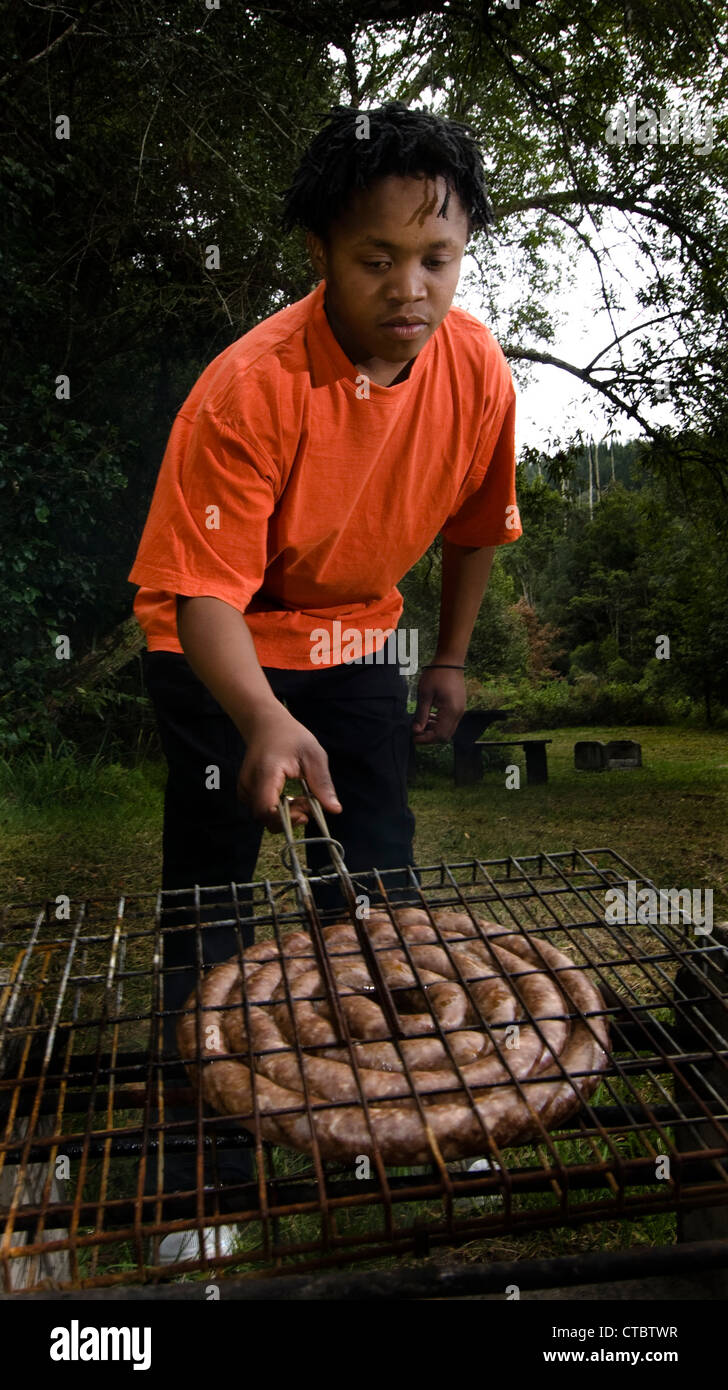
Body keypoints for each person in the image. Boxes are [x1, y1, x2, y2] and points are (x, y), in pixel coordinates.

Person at [127, 100, 522, 1259]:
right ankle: (202, 1177)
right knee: (214, 906)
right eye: (376, 259)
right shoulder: (249, 387)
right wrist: (259, 718)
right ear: (319, 258)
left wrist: (444, 658)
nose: (411, 286)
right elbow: (202, 593)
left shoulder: (476, 368)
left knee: (377, 895)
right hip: (217, 646)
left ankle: (397, 1128)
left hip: (354, 644)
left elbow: (474, 528)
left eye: (435, 257)